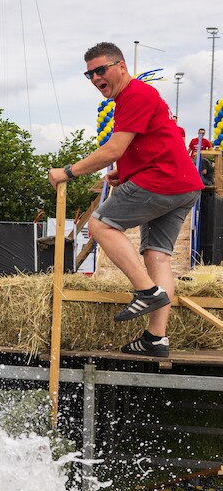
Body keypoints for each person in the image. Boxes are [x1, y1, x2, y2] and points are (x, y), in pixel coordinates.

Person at [47, 42, 203, 358]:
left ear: (121, 66)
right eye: (89, 73)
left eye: (100, 70)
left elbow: (113, 148)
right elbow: (159, 139)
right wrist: (124, 171)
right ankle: (155, 339)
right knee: (157, 255)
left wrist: (67, 171)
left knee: (101, 224)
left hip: (161, 179)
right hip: (184, 185)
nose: (95, 78)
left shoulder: (134, 94)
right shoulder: (137, 98)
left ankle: (146, 291)